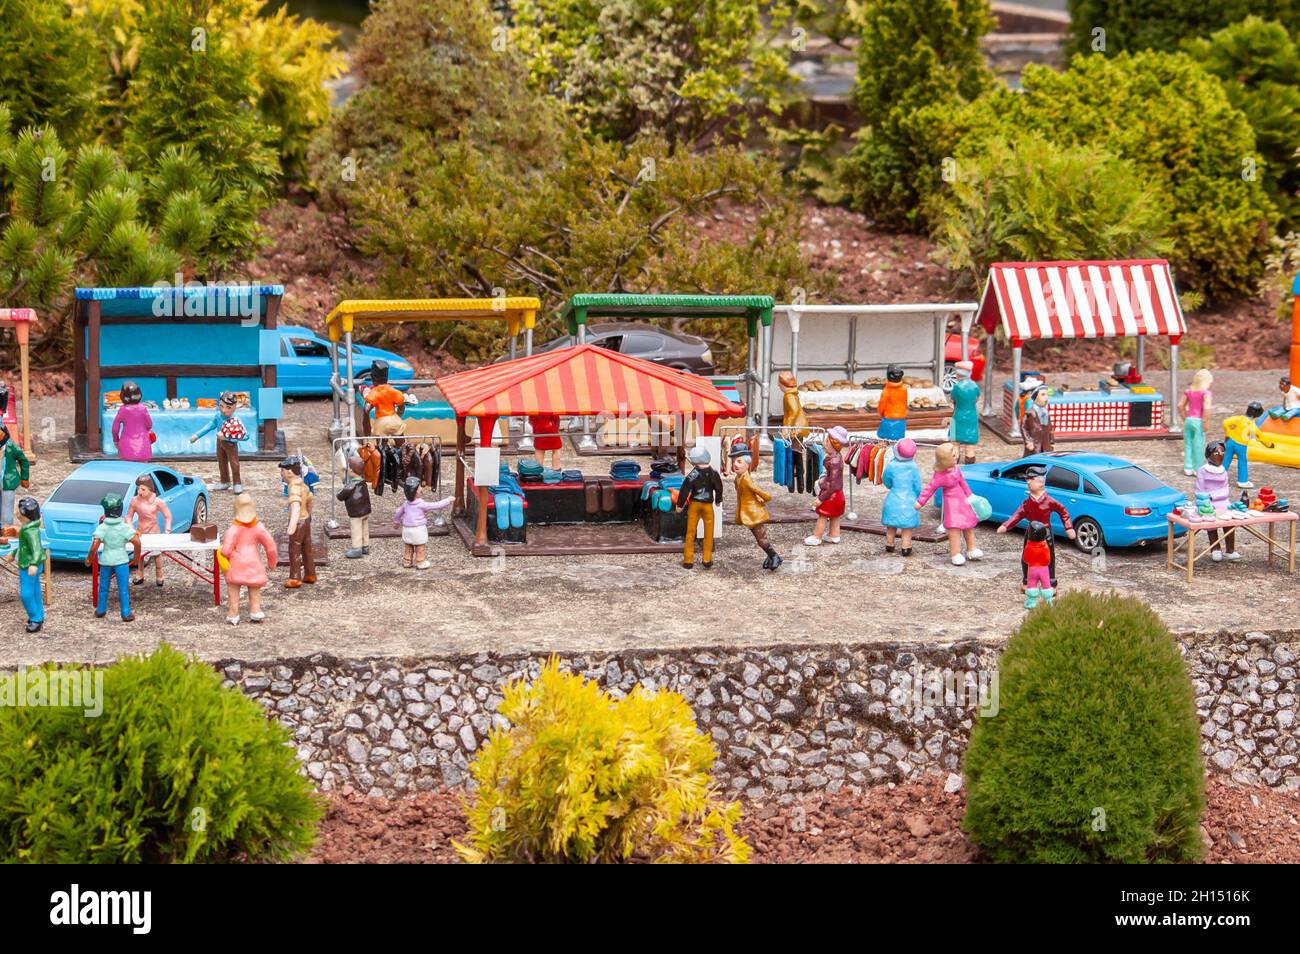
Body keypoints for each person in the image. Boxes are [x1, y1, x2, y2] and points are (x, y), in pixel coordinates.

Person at [995, 463, 1075, 590]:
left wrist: (1068, 527)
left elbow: (1063, 511)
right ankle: (1027, 581)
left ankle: (1051, 583)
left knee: (1049, 557)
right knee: (1026, 556)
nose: (1028, 482)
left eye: (1031, 479)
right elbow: (1017, 514)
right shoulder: (1028, 502)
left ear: (1041, 483)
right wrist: (1006, 526)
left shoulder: (1049, 501)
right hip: (1031, 531)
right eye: (1028, 479)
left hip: (1046, 531)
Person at [914, 441, 982, 566]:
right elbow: (929, 489)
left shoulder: (956, 469)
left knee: (968, 526)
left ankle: (971, 549)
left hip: (962, 500)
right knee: (954, 530)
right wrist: (920, 502)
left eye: (956, 454)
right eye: (954, 455)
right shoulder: (939, 476)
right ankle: (955, 553)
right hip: (951, 504)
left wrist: (970, 496)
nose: (957, 457)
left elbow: (963, 482)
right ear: (945, 459)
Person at [220, 493, 278, 625]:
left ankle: (233, 613)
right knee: (254, 587)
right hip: (253, 563)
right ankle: (255, 610)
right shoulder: (258, 527)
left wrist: (222, 552)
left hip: (235, 563)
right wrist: (272, 562)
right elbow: (270, 546)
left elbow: (226, 550)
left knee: (233, 588)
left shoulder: (233, 529)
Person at [85, 493, 141, 622]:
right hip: (121, 560)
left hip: (106, 560)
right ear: (120, 510)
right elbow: (137, 542)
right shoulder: (124, 528)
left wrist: (89, 559)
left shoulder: (102, 528)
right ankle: (125, 612)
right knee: (123, 589)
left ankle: (101, 609)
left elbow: (94, 546)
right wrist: (136, 558)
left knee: (104, 587)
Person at [730, 444, 781, 571]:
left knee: (761, 538)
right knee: (759, 538)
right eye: (734, 461)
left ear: (747, 464)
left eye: (739, 461)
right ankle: (770, 556)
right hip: (747, 513)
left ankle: (775, 556)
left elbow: (757, 490)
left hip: (754, 514)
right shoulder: (738, 478)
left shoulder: (746, 480)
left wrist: (765, 497)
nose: (735, 464)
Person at [190, 391, 250, 492]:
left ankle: (237, 483)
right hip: (220, 443)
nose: (224, 410)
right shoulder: (218, 416)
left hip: (231, 444)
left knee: (234, 463)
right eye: (221, 406)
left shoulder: (235, 420)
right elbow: (210, 425)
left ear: (235, 407)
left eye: (228, 408)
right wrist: (197, 435)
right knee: (221, 461)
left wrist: (227, 436)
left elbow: (246, 436)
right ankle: (224, 481)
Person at [678, 445, 723, 569]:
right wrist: (718, 500)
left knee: (690, 531)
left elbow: (684, 489)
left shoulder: (693, 474)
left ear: (694, 461)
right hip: (708, 505)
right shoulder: (713, 473)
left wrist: (680, 504)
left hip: (695, 505)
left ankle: (688, 560)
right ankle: (707, 559)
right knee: (709, 532)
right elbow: (719, 487)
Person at [394, 475, 451, 569]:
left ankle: (407, 561)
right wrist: (447, 500)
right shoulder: (422, 504)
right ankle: (420, 561)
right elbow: (435, 505)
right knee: (420, 547)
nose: (421, 488)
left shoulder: (406, 504)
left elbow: (398, 512)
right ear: (416, 491)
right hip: (418, 529)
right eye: (419, 487)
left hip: (407, 529)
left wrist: (397, 521)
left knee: (408, 546)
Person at [125, 473, 172, 587]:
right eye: (138, 489)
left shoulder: (158, 502)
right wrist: (131, 529)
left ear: (150, 489)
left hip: (154, 532)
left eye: (143, 489)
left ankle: (159, 574)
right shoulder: (135, 501)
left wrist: (167, 530)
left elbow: (167, 515)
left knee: (156, 555)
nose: (140, 492)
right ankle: (140, 574)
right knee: (140, 555)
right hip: (140, 533)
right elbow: (128, 516)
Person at [805, 425, 847, 546]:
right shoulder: (836, 458)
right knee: (835, 516)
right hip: (838, 494)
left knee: (823, 515)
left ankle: (817, 536)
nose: (825, 443)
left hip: (831, 495)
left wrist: (821, 497)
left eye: (827, 441)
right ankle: (834, 535)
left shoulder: (833, 461)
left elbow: (832, 483)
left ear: (834, 443)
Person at [1197, 441, 1238, 561]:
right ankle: (1215, 549)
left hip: (1223, 501)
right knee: (1212, 525)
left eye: (1222, 452)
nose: (1219, 455)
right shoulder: (1203, 471)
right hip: (1208, 503)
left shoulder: (1223, 471)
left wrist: (1216, 495)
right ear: (1209, 454)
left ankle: (1230, 550)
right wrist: (1207, 498)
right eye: (1216, 452)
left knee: (1229, 523)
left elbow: (1226, 488)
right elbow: (1200, 490)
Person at [881, 437, 921, 556]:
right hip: (909, 500)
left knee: (891, 525)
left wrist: (891, 485)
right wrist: (917, 496)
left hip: (893, 499)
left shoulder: (892, 465)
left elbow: (885, 479)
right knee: (907, 527)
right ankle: (906, 546)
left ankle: (889, 543)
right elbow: (917, 485)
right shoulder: (914, 466)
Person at [280, 456, 316, 588]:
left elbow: (295, 506)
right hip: (305, 519)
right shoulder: (303, 485)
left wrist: (292, 525)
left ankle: (295, 577)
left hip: (299, 521)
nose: (282, 474)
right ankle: (310, 574)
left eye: (282, 471)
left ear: (289, 472)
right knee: (307, 548)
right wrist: (308, 514)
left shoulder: (293, 487)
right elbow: (310, 500)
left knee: (294, 549)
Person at [1222, 402, 1275, 489]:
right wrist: (1269, 444)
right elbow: (1261, 437)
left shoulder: (1239, 419)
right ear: (1258, 414)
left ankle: (1218, 477)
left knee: (1226, 459)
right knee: (1242, 462)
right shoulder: (1253, 426)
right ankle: (1242, 481)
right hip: (1241, 446)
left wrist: (1228, 434)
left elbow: (1225, 422)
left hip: (1230, 442)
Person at [15, 496, 44, 633]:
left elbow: (36, 548)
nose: (17, 513)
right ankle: (39, 615)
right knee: (35, 591)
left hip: (29, 565)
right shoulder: (27, 528)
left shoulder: (30, 531)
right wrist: (13, 552)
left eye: (19, 511)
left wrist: (33, 563)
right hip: (31, 564)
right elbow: (23, 545)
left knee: (26, 594)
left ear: (25, 514)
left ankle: (35, 618)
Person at [336, 452, 373, 559]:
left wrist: (339, 493)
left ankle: (357, 548)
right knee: (365, 527)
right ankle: (365, 546)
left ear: (351, 470)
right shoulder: (363, 482)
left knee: (356, 529)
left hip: (356, 512)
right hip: (366, 510)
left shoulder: (351, 485)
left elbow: (340, 496)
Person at [1178, 369, 1214, 476]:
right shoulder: (1206, 393)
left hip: (1189, 420)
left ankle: (1187, 467)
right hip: (1198, 421)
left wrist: (1185, 418)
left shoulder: (1189, 391)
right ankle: (1197, 468)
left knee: (1188, 444)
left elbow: (1180, 405)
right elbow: (1207, 408)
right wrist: (1205, 421)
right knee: (1198, 445)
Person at [111, 381, 153, 463]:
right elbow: (149, 424)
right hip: (143, 446)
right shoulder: (143, 408)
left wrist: (116, 441)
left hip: (127, 447)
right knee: (142, 470)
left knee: (128, 471)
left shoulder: (123, 410)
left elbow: (115, 429)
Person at [363, 360, 408, 437]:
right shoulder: (393, 391)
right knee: (400, 439)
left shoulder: (374, 393)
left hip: (381, 421)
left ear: (373, 378)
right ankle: (401, 447)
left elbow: (366, 410)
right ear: (386, 377)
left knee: (381, 441)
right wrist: (398, 415)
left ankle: (382, 447)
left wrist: (366, 428)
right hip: (394, 419)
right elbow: (401, 405)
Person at [948, 360, 981, 464]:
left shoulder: (957, 387)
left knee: (955, 442)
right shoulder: (975, 386)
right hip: (971, 416)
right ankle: (970, 460)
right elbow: (977, 398)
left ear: (959, 374)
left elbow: (952, 399)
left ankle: (955, 459)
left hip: (958, 415)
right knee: (970, 443)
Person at [0, 423, 31, 526]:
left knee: (6, 507)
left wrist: (24, 478)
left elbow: (24, 461)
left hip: (8, 481)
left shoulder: (11, 446)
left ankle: (5, 527)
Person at [1021, 521, 1055, 608]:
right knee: (1046, 584)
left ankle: (1031, 602)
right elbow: (1048, 559)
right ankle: (1048, 601)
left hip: (1032, 569)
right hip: (1043, 569)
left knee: (1031, 584)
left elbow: (1025, 558)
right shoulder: (1045, 546)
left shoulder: (1028, 546)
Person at [877, 364, 908, 441]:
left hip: (889, 419)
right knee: (898, 439)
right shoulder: (904, 389)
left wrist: (881, 414)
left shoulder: (886, 391)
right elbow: (905, 403)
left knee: (886, 440)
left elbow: (882, 406)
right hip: (901, 419)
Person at [1021, 386, 1054, 456]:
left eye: (1046, 395)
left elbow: (1050, 427)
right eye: (1043, 395)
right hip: (1034, 443)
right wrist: (1028, 441)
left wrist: (1051, 440)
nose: (1046, 397)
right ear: (1035, 397)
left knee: (1045, 456)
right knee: (1032, 457)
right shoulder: (1030, 412)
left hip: (1046, 443)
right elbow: (1023, 427)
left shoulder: (1046, 412)